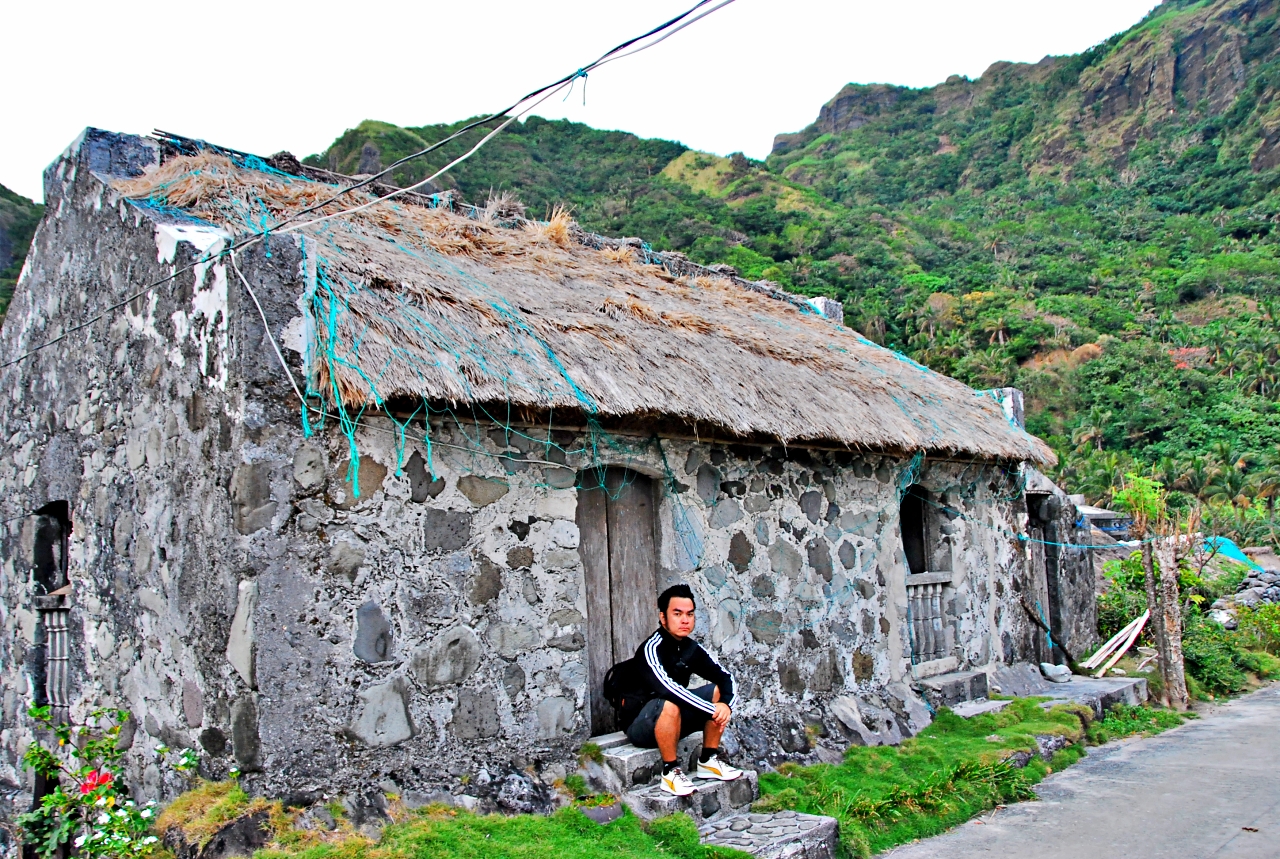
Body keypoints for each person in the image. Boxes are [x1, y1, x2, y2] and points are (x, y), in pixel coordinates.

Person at [621, 584, 744, 796]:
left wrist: (725, 706)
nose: (685, 620)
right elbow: (668, 690)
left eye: (689, 614)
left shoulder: (691, 648)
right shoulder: (651, 649)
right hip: (641, 726)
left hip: (674, 720)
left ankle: (708, 760)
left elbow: (725, 677)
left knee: (717, 692)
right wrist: (711, 710)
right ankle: (670, 772)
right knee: (670, 702)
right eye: (677, 614)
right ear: (663, 617)